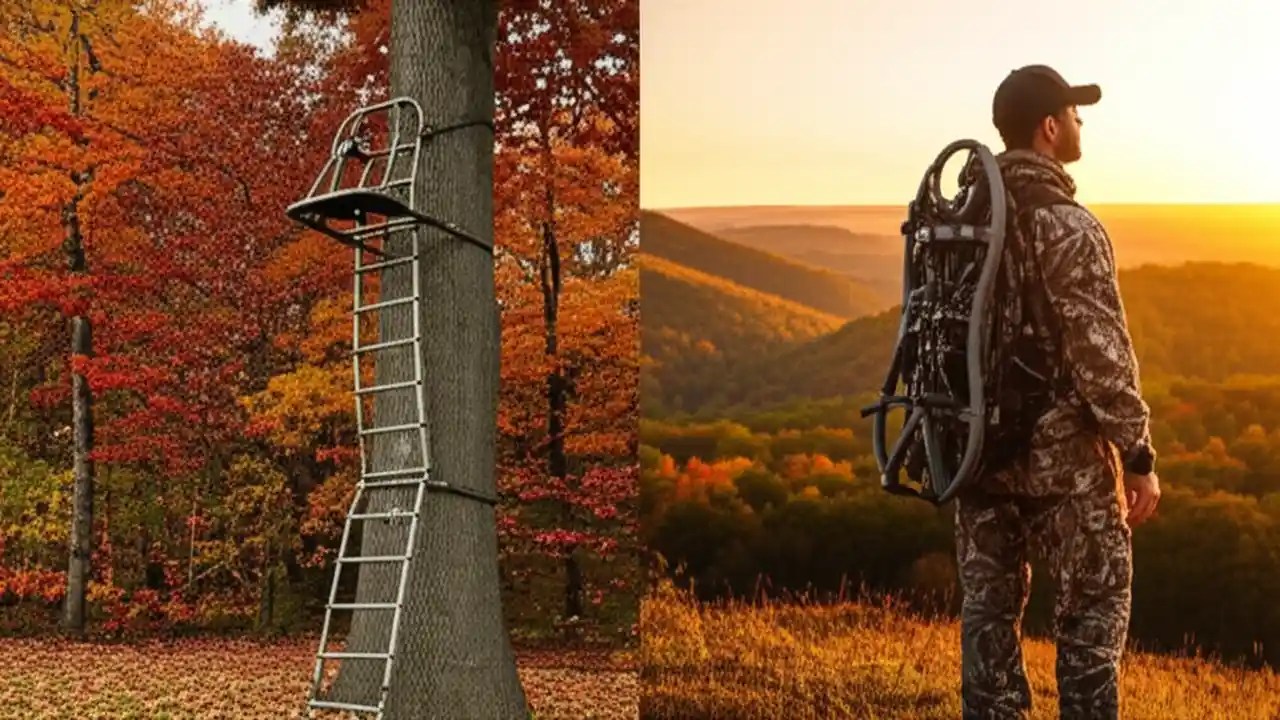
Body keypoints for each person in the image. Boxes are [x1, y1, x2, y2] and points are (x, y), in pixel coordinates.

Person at [953, 65, 1162, 720]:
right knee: (1093, 614)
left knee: (988, 617)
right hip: (1062, 463)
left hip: (974, 451)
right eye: (1073, 113)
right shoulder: (1068, 225)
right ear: (1050, 128)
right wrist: (1139, 457)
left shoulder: (962, 221)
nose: (1080, 122)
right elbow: (1103, 359)